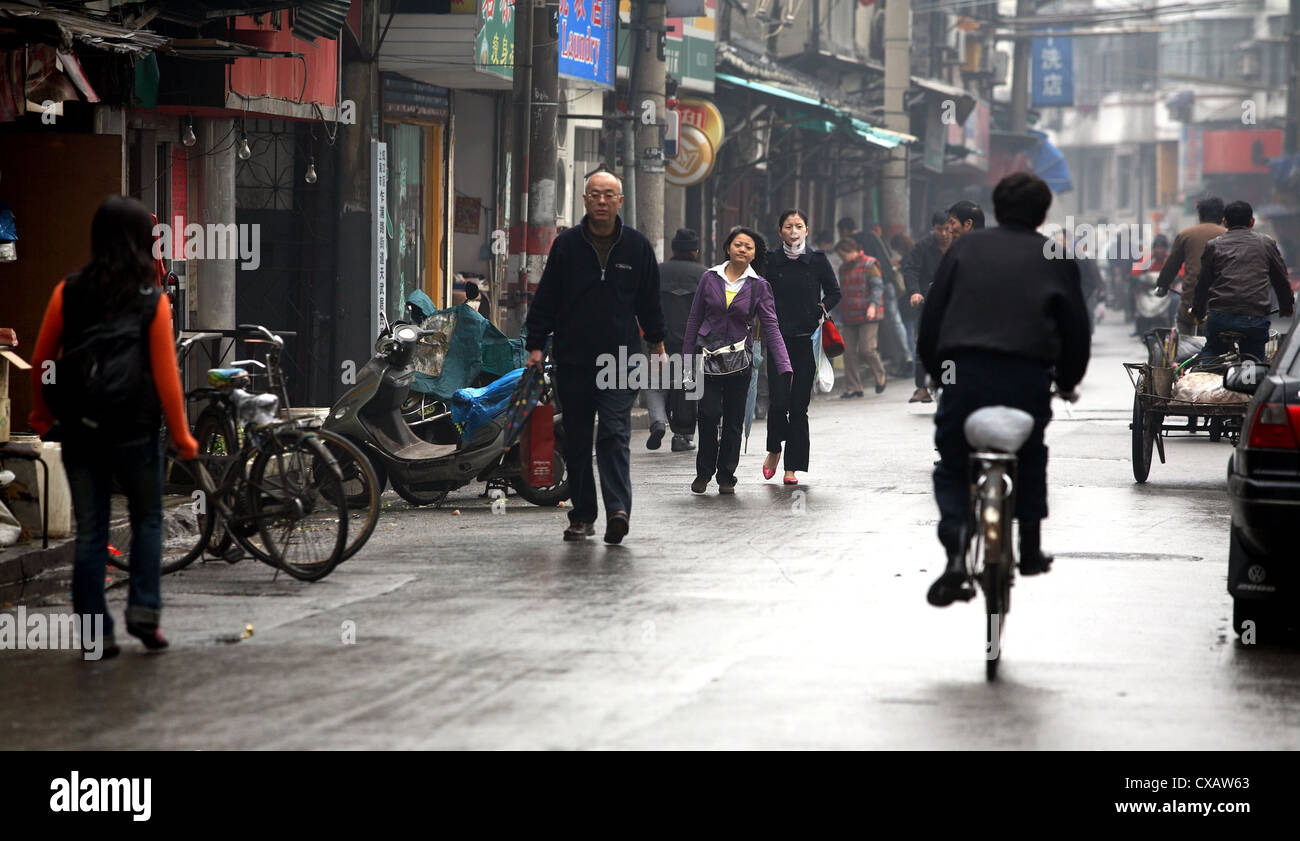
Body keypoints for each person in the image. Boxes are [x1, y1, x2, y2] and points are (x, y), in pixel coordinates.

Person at [28, 196, 199, 657]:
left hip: (81, 429)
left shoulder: (67, 292)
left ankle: (94, 635)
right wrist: (182, 435)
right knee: (147, 520)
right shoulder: (151, 301)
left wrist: (42, 413)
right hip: (135, 430)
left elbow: (43, 360)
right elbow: (166, 378)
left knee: (91, 532)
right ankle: (143, 612)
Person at [918, 172, 1091, 607]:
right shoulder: (1055, 254)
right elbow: (1076, 329)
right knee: (1030, 452)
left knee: (953, 462)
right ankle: (1029, 548)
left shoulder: (964, 249)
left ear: (995, 209)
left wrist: (937, 373)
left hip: (964, 375)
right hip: (1027, 378)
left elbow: (932, 319)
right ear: (1043, 214)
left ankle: (955, 556)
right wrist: (1067, 381)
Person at [523, 170, 667, 544]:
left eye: (609, 195)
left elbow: (649, 301)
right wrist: (535, 345)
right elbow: (547, 298)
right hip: (573, 358)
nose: (602, 201)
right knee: (577, 438)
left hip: (620, 360)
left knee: (615, 432)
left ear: (620, 201)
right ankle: (583, 516)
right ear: (585, 199)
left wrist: (657, 344)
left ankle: (618, 511)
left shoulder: (636, 247)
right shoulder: (566, 246)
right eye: (595, 195)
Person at [682, 227, 791, 494]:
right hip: (708, 357)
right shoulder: (709, 277)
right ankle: (703, 472)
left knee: (733, 420)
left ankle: (726, 475)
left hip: (740, 361)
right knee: (708, 415)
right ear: (728, 248)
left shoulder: (759, 286)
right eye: (738, 244)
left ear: (754, 255)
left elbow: (771, 326)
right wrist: (685, 360)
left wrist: (784, 365)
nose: (742, 249)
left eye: (748, 247)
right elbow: (694, 318)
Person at [764, 209, 841, 486]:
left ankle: (792, 468)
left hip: (807, 340)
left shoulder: (817, 260)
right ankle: (774, 447)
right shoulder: (770, 260)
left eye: (799, 226)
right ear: (780, 231)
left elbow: (834, 292)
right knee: (778, 402)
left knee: (798, 406)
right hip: (778, 340)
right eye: (788, 226)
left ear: (806, 230)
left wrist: (820, 308)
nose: (794, 231)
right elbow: (760, 292)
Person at [1192, 200, 1294, 363]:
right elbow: (1281, 280)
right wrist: (1286, 307)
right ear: (1252, 222)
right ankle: (1251, 374)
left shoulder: (1214, 245)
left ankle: (1208, 370)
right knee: (1254, 360)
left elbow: (1203, 283)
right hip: (1253, 319)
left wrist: (1198, 311)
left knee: (1212, 352)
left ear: (1225, 222)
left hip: (1219, 318)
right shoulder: (1266, 243)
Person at [648, 228, 706, 453]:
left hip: (659, 341)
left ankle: (658, 422)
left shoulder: (657, 271)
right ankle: (682, 436)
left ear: (673, 249)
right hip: (692, 344)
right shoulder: (704, 275)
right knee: (689, 387)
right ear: (696, 251)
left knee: (655, 385)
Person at [1154, 197, 1227, 335]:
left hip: (1191, 303)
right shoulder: (1230, 236)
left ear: (1200, 216)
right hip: (1224, 304)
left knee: (1184, 327)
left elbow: (1171, 266)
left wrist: (1162, 286)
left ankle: (1185, 345)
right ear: (1222, 217)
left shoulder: (1186, 235)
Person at [902, 211, 953, 402]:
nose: (944, 234)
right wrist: (915, 292)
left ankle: (951, 384)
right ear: (934, 229)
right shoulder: (923, 246)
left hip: (954, 303)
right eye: (940, 230)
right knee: (923, 343)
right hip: (928, 302)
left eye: (947, 229)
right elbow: (910, 269)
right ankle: (921, 388)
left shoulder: (960, 244)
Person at [834, 238, 886, 398]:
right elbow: (841, 291)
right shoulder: (843, 268)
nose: (842, 259)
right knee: (848, 352)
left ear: (852, 251)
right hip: (849, 314)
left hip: (868, 314)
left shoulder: (870, 264)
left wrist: (873, 305)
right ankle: (853, 387)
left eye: (843, 255)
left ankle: (880, 375)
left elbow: (877, 287)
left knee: (867, 349)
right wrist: (835, 312)